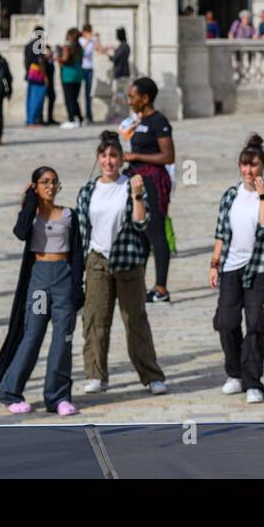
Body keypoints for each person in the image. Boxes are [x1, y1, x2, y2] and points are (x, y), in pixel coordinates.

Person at [77, 131, 167, 395]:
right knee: (95, 320)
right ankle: (96, 374)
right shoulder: (88, 191)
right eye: (104, 156)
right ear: (98, 158)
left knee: (135, 321)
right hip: (97, 261)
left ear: (121, 159)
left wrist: (137, 195)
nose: (109, 161)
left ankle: (151, 376)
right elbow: (82, 230)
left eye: (114, 156)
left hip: (128, 260)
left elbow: (141, 223)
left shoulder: (131, 185)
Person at [0, 165, 84, 415]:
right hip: (39, 281)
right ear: (35, 186)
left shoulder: (68, 214)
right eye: (45, 182)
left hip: (63, 279)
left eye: (54, 182)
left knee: (63, 337)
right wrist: (30, 201)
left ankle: (58, 397)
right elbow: (20, 232)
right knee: (33, 333)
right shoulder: (30, 215)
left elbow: (78, 253)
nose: (51, 186)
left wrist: (77, 286)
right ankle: (11, 392)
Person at [209, 134, 264, 403]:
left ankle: (253, 382)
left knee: (256, 323)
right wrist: (214, 264)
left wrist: (262, 195)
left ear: (262, 166)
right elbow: (221, 232)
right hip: (231, 266)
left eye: (253, 165)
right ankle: (235, 374)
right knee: (225, 321)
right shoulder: (230, 195)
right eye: (244, 164)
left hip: (262, 267)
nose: (248, 170)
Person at [118, 77, 176, 303]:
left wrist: (136, 156)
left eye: (132, 97)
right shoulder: (138, 120)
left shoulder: (159, 121)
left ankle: (161, 288)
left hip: (153, 181)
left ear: (145, 98)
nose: (129, 101)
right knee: (139, 233)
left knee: (155, 232)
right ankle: (137, 285)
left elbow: (168, 156)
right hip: (137, 179)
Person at [58, 28, 85, 129]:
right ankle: (80, 119)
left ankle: (71, 120)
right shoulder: (80, 47)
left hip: (68, 75)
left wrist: (58, 58)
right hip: (78, 75)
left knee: (69, 99)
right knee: (75, 99)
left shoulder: (67, 46)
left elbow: (65, 59)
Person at [23, 28, 50, 126]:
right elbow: (40, 60)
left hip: (30, 73)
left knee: (30, 98)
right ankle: (33, 120)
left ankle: (30, 119)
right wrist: (45, 76)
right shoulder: (39, 45)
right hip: (38, 74)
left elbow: (25, 61)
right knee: (37, 98)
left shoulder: (28, 45)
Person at [79, 23, 101, 124]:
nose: (89, 34)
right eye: (88, 32)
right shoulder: (80, 40)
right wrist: (88, 41)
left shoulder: (92, 41)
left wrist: (98, 39)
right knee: (79, 92)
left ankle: (89, 115)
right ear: (84, 32)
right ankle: (78, 114)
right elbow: (82, 51)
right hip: (81, 68)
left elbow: (99, 49)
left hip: (89, 69)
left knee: (88, 93)